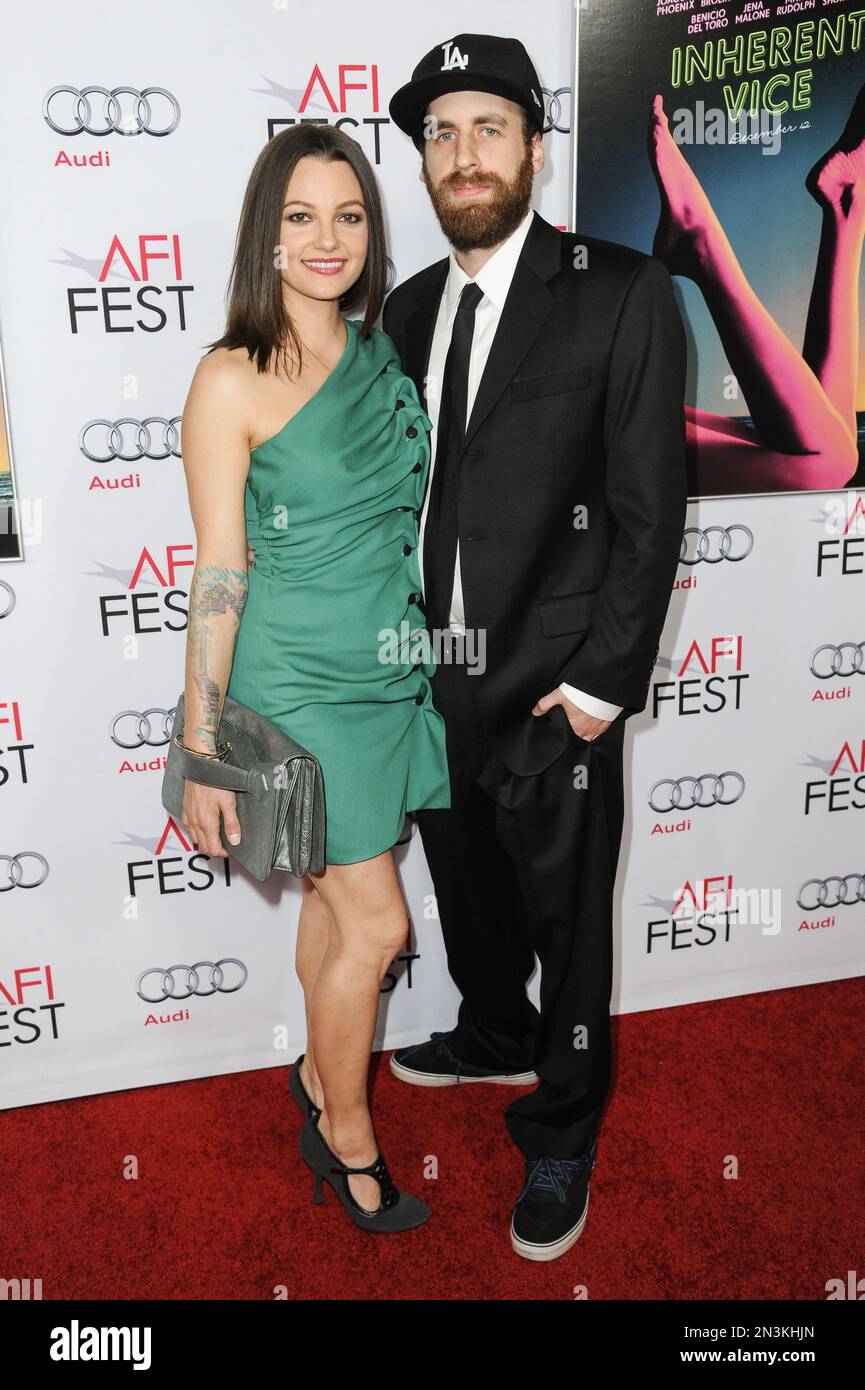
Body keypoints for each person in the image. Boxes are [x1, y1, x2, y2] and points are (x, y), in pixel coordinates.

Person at [383, 33, 688, 1261]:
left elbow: (647, 507)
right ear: (424, 161)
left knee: (569, 923)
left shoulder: (616, 288)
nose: (464, 156)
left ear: (534, 147)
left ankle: (562, 1122)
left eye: (487, 129)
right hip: (436, 677)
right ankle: (492, 1033)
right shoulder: (406, 308)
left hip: (556, 684)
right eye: (440, 135)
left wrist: (596, 689)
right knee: (467, 891)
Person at [176, 123, 450, 1234]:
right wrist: (200, 745)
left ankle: (313, 1079)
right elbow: (219, 575)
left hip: (386, 679)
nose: (327, 238)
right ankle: (345, 1133)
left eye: (348, 215)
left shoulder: (382, 353)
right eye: (301, 216)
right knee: (378, 927)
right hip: (294, 696)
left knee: (341, 916)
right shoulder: (229, 376)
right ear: (266, 234)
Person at [648, 84, 862, 495]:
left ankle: (848, 207)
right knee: (829, 457)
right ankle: (848, 208)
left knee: (828, 450)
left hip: (577, 425)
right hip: (567, 449)